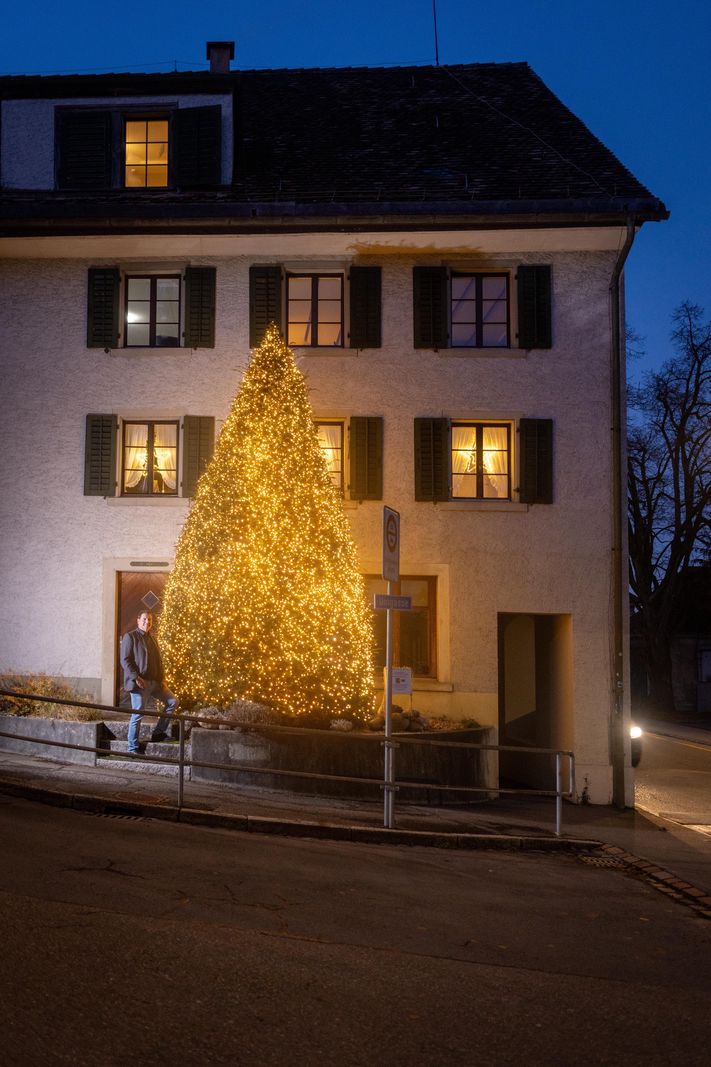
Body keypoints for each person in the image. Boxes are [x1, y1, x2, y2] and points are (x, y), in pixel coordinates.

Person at [120, 610, 178, 755]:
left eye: (150, 620)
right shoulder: (130, 637)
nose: (147, 622)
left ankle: (158, 733)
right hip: (140, 683)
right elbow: (125, 660)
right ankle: (132, 748)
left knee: (173, 701)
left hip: (155, 683)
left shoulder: (152, 638)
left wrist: (162, 679)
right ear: (138, 620)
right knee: (138, 713)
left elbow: (159, 661)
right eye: (145, 619)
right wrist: (136, 677)